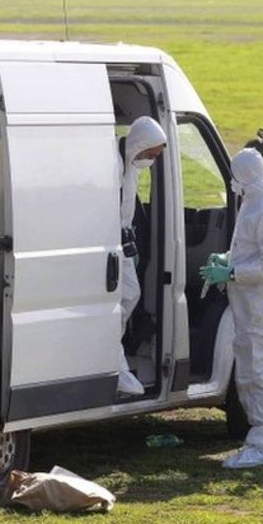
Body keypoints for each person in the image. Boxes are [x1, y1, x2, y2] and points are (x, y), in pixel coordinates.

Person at [199, 148, 263, 468]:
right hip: (256, 306)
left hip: (259, 305)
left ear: (243, 174)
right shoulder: (257, 201)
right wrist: (227, 259)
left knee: (257, 373)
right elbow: (247, 248)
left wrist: (232, 273)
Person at [117, 116, 167, 395]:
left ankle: (116, 360)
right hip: (108, 243)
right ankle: (115, 364)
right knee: (125, 299)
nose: (150, 160)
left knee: (129, 297)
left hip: (122, 241)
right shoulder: (114, 163)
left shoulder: (131, 165)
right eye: (150, 154)